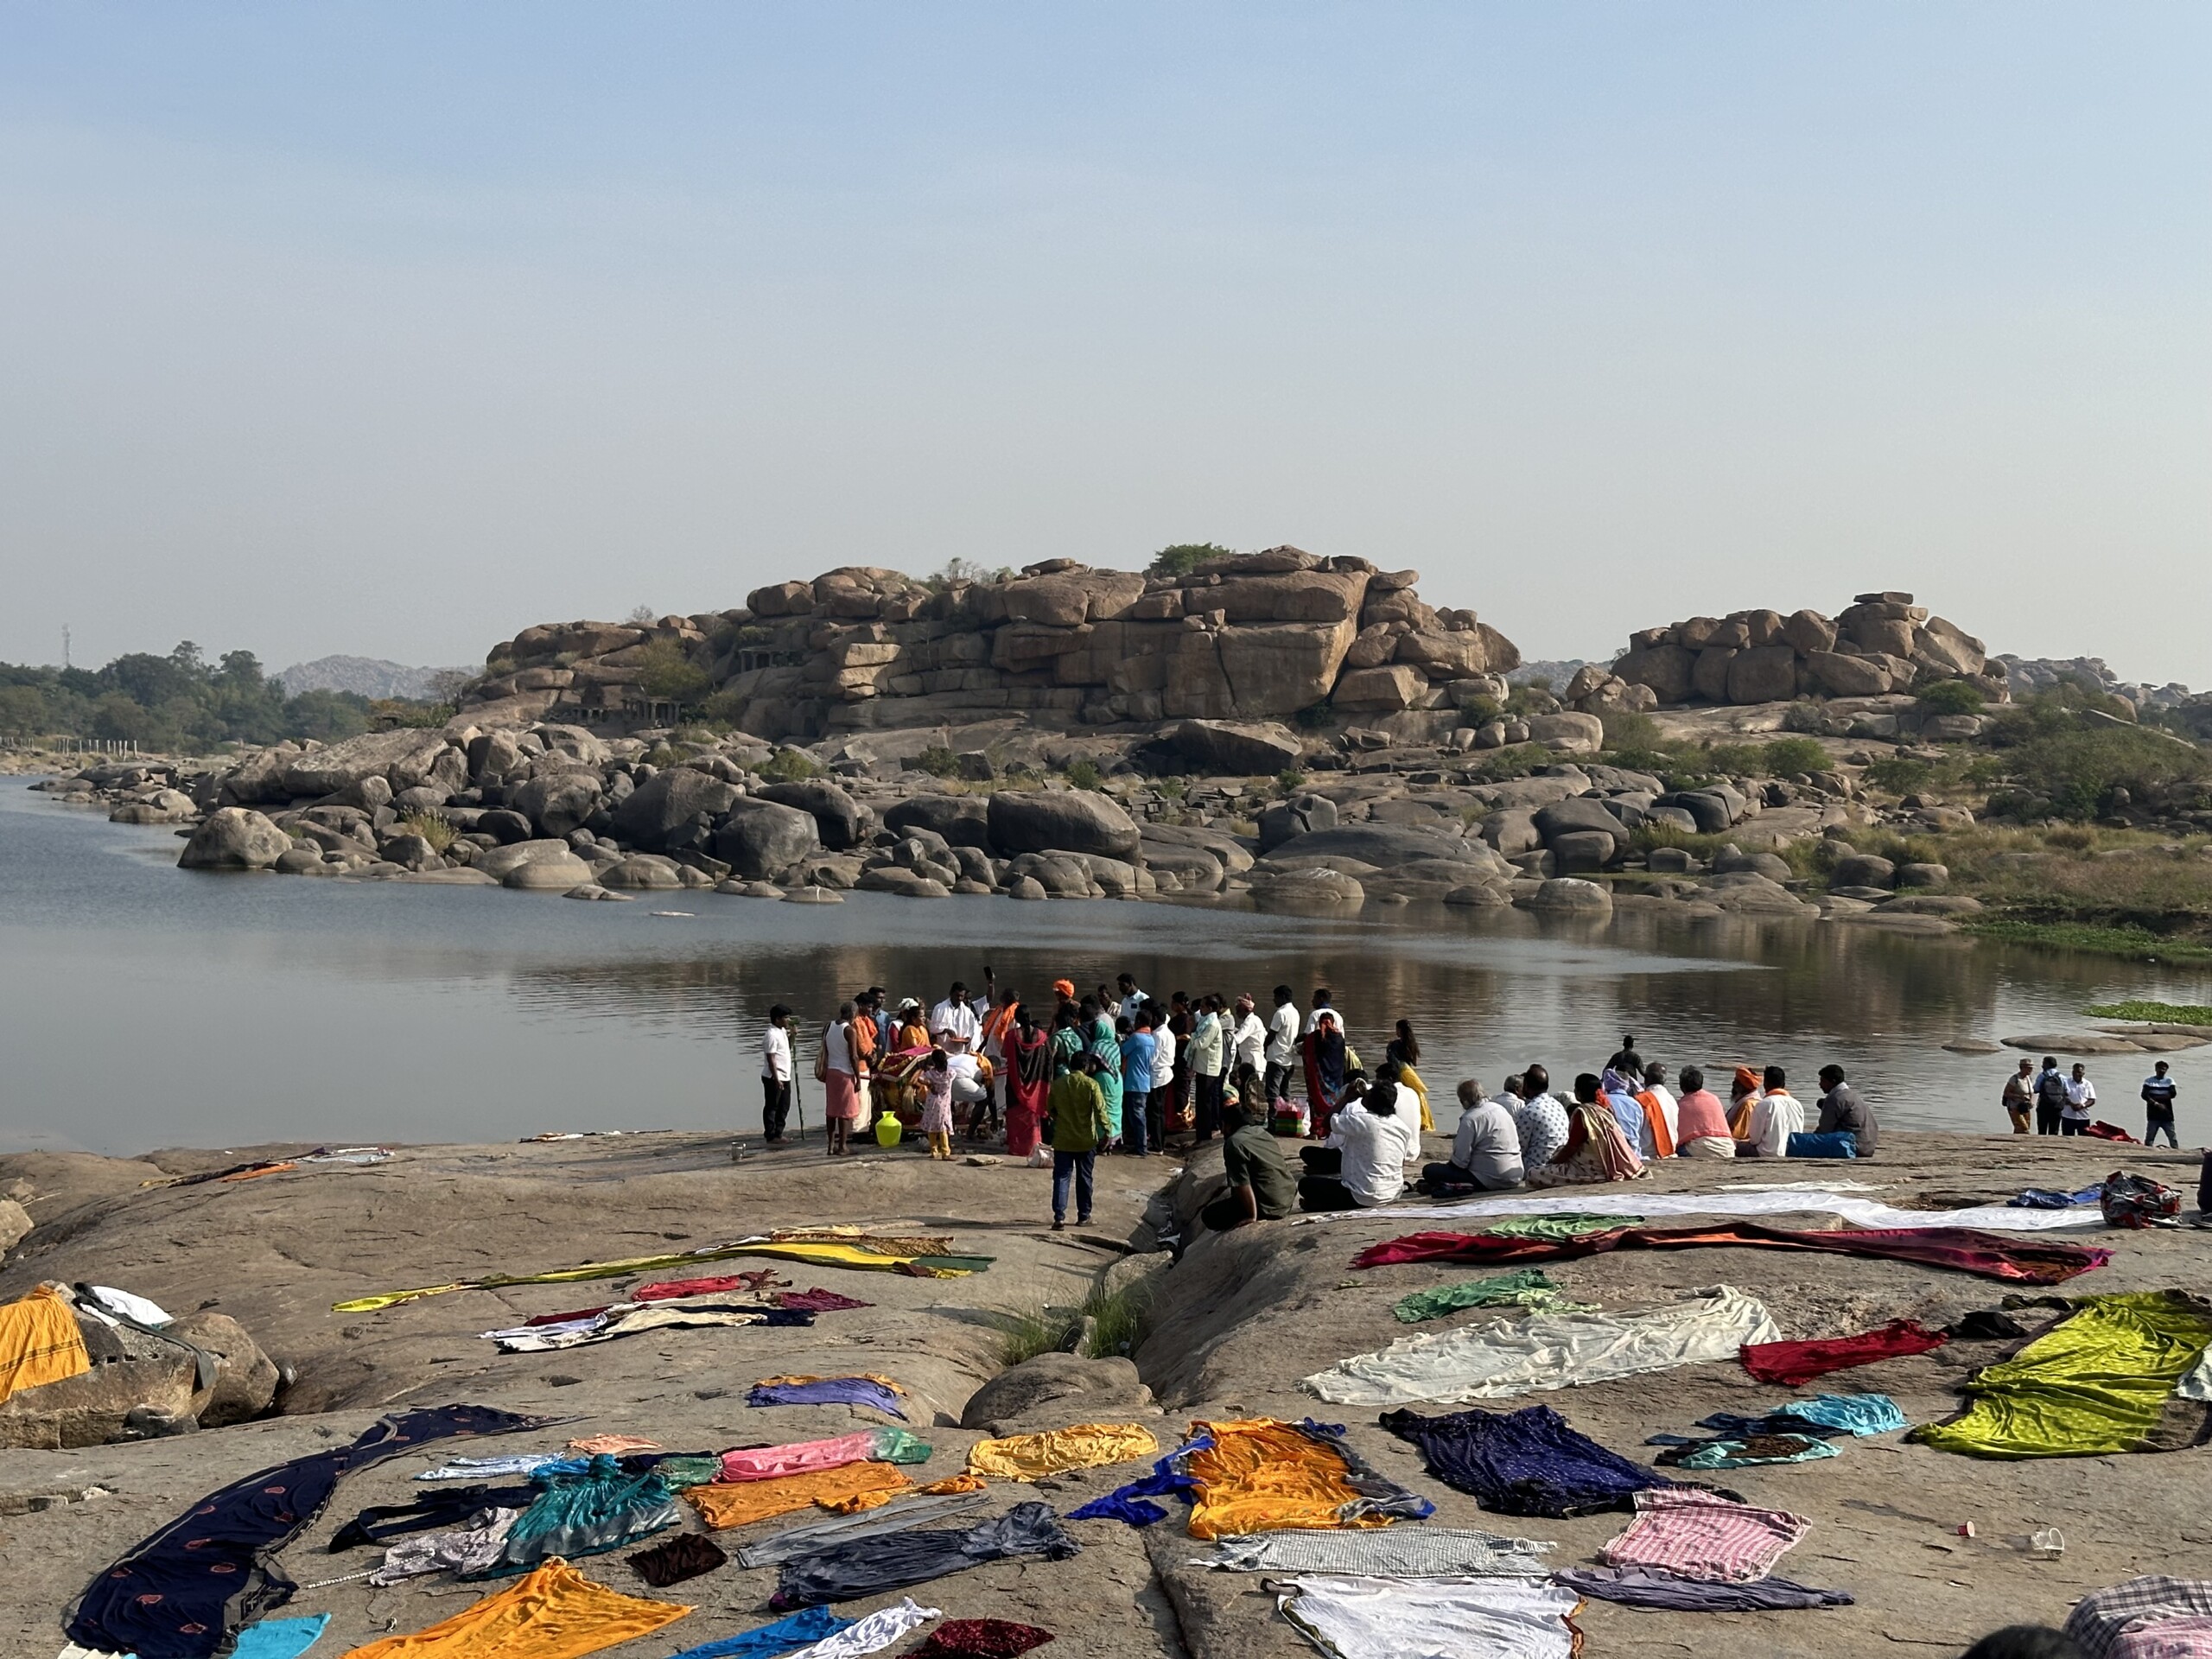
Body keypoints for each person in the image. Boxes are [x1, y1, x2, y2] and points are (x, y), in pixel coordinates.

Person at [1297, 1080, 1419, 1211]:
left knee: (1305, 1185)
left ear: (1374, 1101)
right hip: (1392, 1193)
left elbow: (1327, 1122)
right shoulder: (1401, 1126)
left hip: (1364, 1195)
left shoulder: (1363, 1120)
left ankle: (1324, 1205)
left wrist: (1347, 1098)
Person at [1200, 1096, 1299, 1231]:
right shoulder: (1263, 1133)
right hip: (1287, 1199)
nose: (1222, 1130)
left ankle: (1253, 1211)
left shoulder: (1234, 1143)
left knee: (1209, 1216)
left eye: (1223, 1125)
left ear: (1229, 1125)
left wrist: (1252, 1216)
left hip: (1269, 1207)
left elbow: (1242, 1184)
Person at [1528, 1073, 1644, 1185]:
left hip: (1591, 1170)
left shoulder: (1582, 1113)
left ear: (1579, 1093)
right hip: (1609, 1164)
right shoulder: (1605, 1110)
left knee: (1533, 1173)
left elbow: (1571, 1147)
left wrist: (1553, 1163)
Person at [1421, 1078, 1525, 1194]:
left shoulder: (1470, 1119)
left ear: (1464, 1101)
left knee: (1430, 1170)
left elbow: (1459, 1162)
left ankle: (1463, 1186)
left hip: (1491, 1179)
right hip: (1515, 1175)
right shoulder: (1500, 1109)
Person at [1047, 1051, 1109, 1230]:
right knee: (1085, 1177)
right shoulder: (1091, 1085)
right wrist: (1107, 1131)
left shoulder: (1058, 1084)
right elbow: (1100, 1111)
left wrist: (1060, 1119)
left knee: (1061, 1177)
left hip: (1063, 1139)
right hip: (1086, 1140)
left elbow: (1050, 1108)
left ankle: (1059, 1216)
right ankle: (1084, 1215)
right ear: (1085, 1067)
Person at [1004, 1007, 1050, 1159]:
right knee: (1032, 1114)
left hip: (1014, 1083)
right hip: (1035, 1084)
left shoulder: (1011, 1036)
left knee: (1015, 1114)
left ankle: (1017, 1146)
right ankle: (1033, 1145)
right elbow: (1048, 1059)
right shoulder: (1042, 1037)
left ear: (1016, 1019)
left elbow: (1003, 1053)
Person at [820, 1001, 861, 1157]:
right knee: (844, 1111)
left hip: (831, 1072)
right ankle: (842, 1146)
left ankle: (830, 1146)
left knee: (831, 1110)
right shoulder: (850, 1030)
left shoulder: (828, 1026)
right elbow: (854, 1056)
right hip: (845, 1073)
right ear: (854, 1014)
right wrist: (857, 1078)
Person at [1510, 1064, 1571, 1170]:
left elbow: (1518, 1147)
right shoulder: (1558, 1105)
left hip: (1535, 1167)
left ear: (1526, 1086)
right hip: (1559, 1164)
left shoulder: (1529, 1111)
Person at [1815, 1065, 1878, 1158]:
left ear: (1833, 1082)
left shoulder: (1835, 1099)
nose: (1820, 1085)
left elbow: (1825, 1129)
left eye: (1823, 1081)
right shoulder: (1853, 1096)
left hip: (1853, 1147)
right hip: (1868, 1146)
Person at [1673, 1065, 1735, 1158]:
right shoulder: (1714, 1099)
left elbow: (1676, 1137)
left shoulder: (1682, 1105)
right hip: (1728, 1149)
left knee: (1673, 1150)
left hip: (1704, 1149)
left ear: (1682, 1086)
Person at [1188, 995, 1227, 1141]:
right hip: (1203, 1067)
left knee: (1205, 1104)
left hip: (1209, 1068)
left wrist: (1191, 1033)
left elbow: (1200, 1044)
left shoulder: (1212, 1024)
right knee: (1201, 1103)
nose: (1200, 1009)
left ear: (1210, 1009)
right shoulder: (1206, 1021)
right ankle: (1202, 1134)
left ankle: (1204, 1137)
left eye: (1203, 1006)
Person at [1304, 1011, 1349, 1136]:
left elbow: (1305, 1050)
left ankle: (1316, 1131)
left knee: (1316, 1103)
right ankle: (1331, 1130)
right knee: (1334, 1104)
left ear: (1319, 1023)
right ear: (1333, 1023)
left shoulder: (1313, 1038)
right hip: (1335, 1080)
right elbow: (1341, 1059)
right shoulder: (1340, 1039)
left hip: (1318, 1080)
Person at [1120, 1014, 1157, 1156]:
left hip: (1134, 1082)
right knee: (1139, 1115)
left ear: (1140, 1022)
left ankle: (1141, 1148)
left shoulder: (1136, 1038)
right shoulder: (1151, 1039)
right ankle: (1139, 1144)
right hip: (1144, 1081)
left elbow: (1123, 1050)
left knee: (1137, 1116)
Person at [1747, 1065, 1805, 1158]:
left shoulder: (1764, 1104)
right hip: (1792, 1152)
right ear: (1784, 1084)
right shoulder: (1797, 1104)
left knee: (1736, 1146)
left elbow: (1754, 1140)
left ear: (1766, 1084)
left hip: (1766, 1152)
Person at [1387, 1020, 1433, 1131]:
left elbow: (1393, 1062)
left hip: (1401, 1073)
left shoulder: (1395, 1045)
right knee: (1417, 1096)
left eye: (1397, 1029)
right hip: (1410, 1072)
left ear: (1400, 1030)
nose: (1396, 1031)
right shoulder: (1411, 1044)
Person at [760, 1004, 794, 1143]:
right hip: (774, 1076)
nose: (788, 1020)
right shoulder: (772, 1035)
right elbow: (771, 1058)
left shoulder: (782, 1032)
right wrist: (776, 1078)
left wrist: (793, 1036)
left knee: (784, 1105)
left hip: (785, 1075)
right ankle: (771, 1134)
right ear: (777, 1019)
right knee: (772, 1106)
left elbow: (788, 1049)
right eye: (786, 1018)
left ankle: (779, 1132)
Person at [1264, 985, 1301, 1107]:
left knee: (1272, 1094)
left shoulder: (1280, 1014)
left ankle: (1273, 1122)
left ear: (1283, 997)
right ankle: (1286, 1119)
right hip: (1289, 1059)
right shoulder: (1295, 1013)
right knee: (1285, 1093)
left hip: (1276, 1059)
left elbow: (1271, 1036)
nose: (1274, 1000)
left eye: (1276, 997)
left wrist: (1264, 1047)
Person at [1148, 1003, 1178, 1150]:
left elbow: (1152, 1058)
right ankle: (1159, 1141)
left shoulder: (1158, 1035)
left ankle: (1157, 1144)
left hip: (1158, 1075)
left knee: (1155, 1111)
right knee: (1159, 1111)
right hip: (1165, 1073)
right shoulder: (1169, 1033)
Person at [1634, 1064, 1679, 1158]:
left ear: (1645, 1078)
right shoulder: (1672, 1100)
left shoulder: (1641, 1100)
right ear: (1665, 1080)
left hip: (1647, 1154)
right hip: (1670, 1151)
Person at [1599, 1067, 1648, 1154]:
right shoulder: (1636, 1104)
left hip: (1613, 1153)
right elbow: (1639, 1130)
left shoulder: (1604, 1102)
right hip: (1634, 1153)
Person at [918, 1049, 955, 1160]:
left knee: (931, 1127)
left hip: (931, 1102)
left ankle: (934, 1151)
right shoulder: (950, 1073)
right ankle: (945, 1151)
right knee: (943, 1128)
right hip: (944, 1103)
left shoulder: (930, 1074)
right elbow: (954, 1074)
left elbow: (920, 1078)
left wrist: (929, 1084)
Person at [931, 982, 982, 1053]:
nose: (959, 998)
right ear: (951, 993)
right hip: (943, 1050)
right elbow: (932, 1029)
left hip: (960, 1051)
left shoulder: (968, 1012)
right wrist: (945, 1030)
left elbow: (971, 1032)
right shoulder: (940, 1008)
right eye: (957, 995)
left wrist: (966, 1040)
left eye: (962, 996)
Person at [2144, 1061, 2181, 1148]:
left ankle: (2176, 1152)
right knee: (2150, 1137)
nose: (2161, 1071)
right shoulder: (2149, 1081)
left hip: (2167, 1114)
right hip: (2153, 1114)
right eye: (2159, 1068)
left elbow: (2173, 1094)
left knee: (2172, 1137)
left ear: (2166, 1070)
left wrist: (2158, 1099)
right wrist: (2156, 1104)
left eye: (2163, 1069)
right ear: (2155, 1069)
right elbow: (2144, 1095)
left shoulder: (2169, 1081)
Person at [1230, 994, 1267, 1080]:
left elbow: (1238, 1039)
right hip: (1255, 1059)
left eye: (1239, 1011)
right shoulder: (1256, 1019)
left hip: (1252, 1060)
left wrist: (1227, 1033)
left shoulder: (1249, 1022)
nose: (1236, 1013)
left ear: (1245, 1010)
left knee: (1251, 1088)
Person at [2032, 1056, 2069, 1135]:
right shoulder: (2062, 1077)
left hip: (2044, 1105)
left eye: (2043, 1063)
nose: (2042, 1065)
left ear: (2047, 1064)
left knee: (2042, 1129)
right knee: (2054, 1129)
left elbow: (2036, 1089)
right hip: (2057, 1106)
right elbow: (2067, 1091)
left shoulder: (2042, 1076)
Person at [1727, 1066, 1764, 1142]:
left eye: (1736, 1082)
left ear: (1744, 1085)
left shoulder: (1748, 1105)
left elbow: (1738, 1134)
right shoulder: (1755, 1100)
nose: (1733, 1083)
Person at [2002, 1058, 2035, 1135]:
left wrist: (2031, 1101)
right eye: (2028, 1068)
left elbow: (2031, 1092)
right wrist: (2019, 1097)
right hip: (2015, 1106)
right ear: (2022, 1067)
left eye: (2031, 1068)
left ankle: (2016, 1141)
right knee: (2023, 1127)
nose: (2031, 1070)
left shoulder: (2028, 1078)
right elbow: (2006, 1093)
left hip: (2025, 1106)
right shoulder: (2015, 1079)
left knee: (2024, 1126)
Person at [2062, 1063, 2095, 1135]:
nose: (2076, 1074)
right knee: (2067, 1137)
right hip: (2068, 1116)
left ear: (2083, 1073)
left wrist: (2082, 1105)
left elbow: (2092, 1100)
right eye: (2074, 1072)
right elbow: (2061, 1096)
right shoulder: (2066, 1082)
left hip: (2083, 1117)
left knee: (2084, 1138)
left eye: (2079, 1072)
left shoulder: (2087, 1084)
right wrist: (2071, 1104)